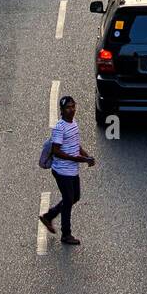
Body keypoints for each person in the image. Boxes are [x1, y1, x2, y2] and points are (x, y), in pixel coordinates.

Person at [38, 95, 94, 247]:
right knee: (69, 200)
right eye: (68, 107)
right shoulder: (59, 127)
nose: (72, 110)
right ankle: (66, 234)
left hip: (72, 170)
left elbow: (75, 143)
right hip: (62, 171)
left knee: (75, 197)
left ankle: (49, 216)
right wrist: (79, 159)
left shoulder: (73, 123)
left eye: (73, 106)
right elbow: (56, 151)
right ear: (62, 110)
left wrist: (86, 155)